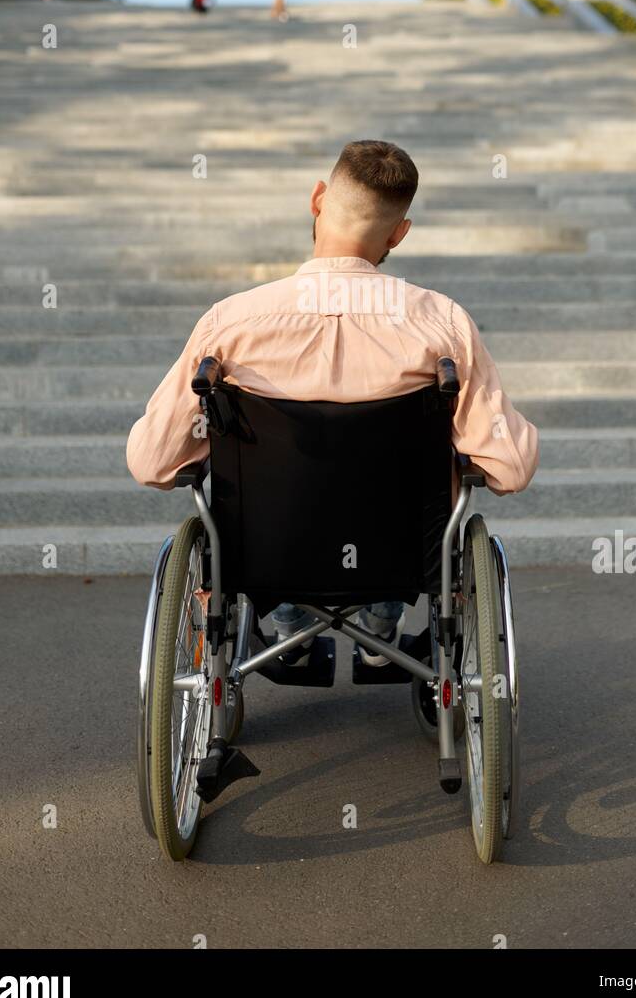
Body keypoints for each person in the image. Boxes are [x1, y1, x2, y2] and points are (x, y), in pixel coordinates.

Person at [126, 141, 539, 664]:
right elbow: (512, 468)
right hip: (399, 552)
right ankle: (382, 621)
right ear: (398, 233)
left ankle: (287, 620)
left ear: (318, 198)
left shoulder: (230, 323)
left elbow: (152, 463)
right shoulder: (442, 323)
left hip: (269, 549)